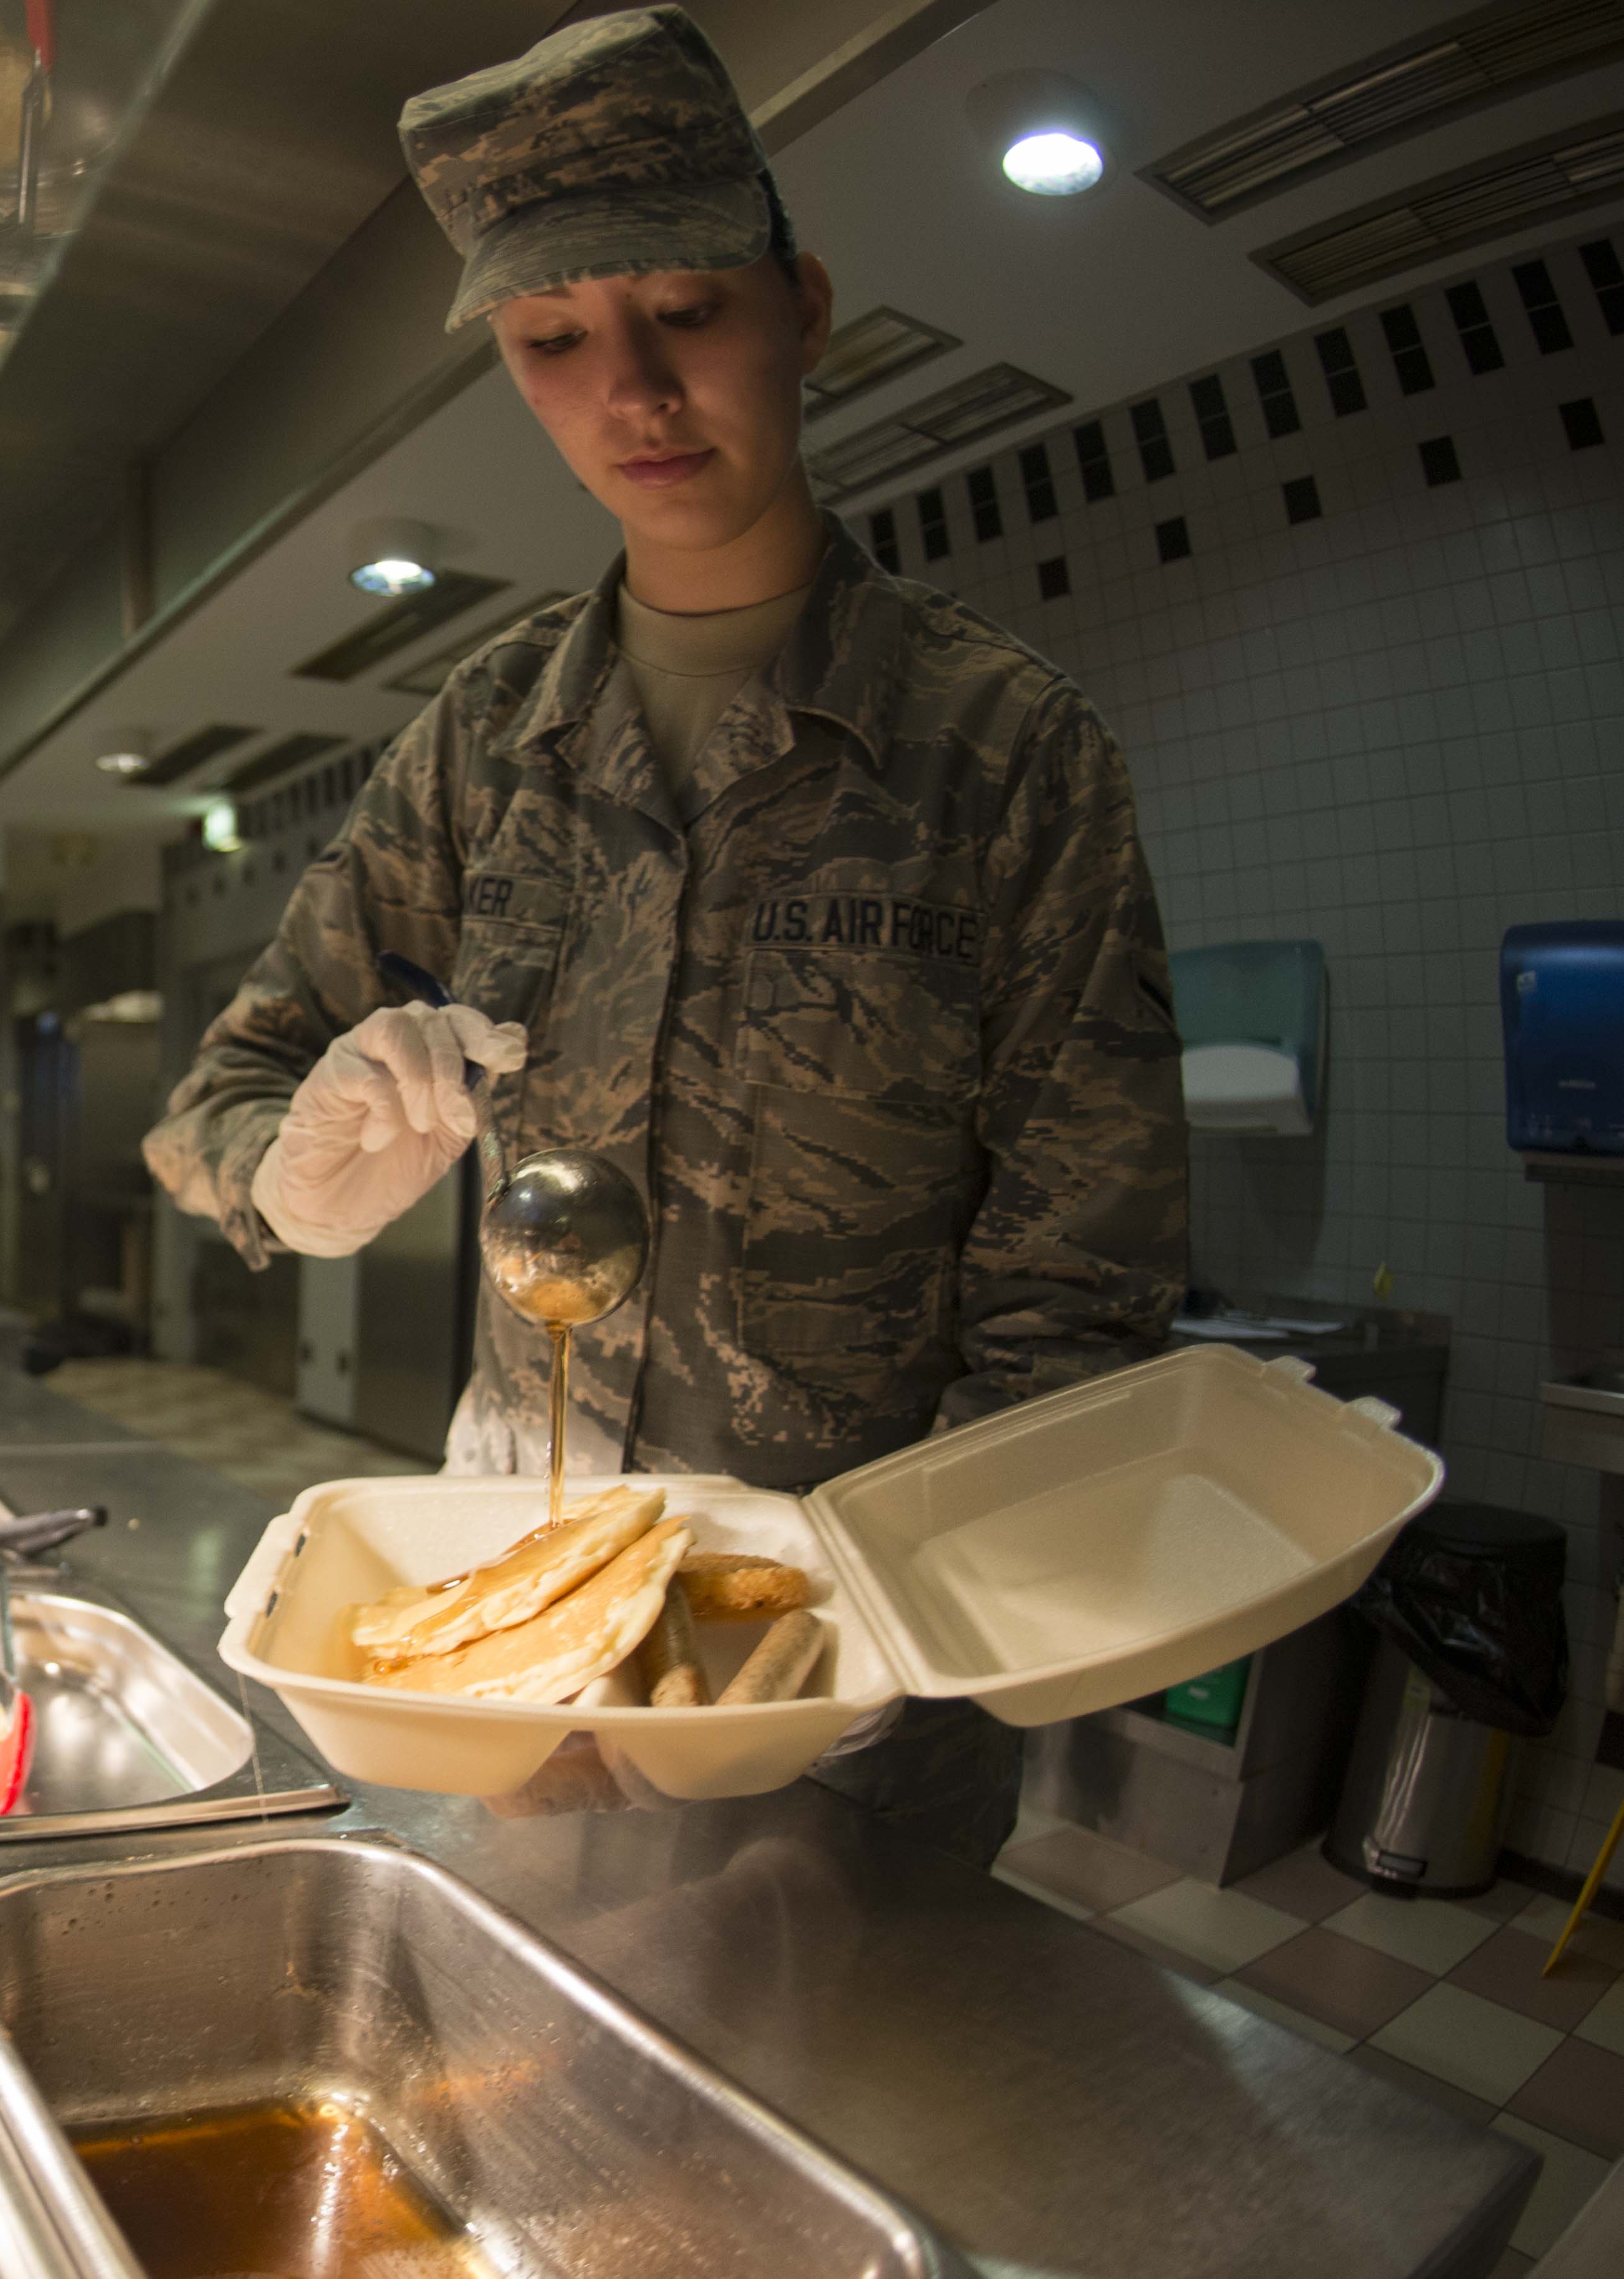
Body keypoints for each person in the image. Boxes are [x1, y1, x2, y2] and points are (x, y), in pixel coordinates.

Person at [142, 6, 1187, 1866]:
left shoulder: (1001, 751)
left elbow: (1079, 1291)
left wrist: (890, 1621)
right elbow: (213, 1096)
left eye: (685, 313)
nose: (628, 391)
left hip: (849, 1661)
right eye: (553, 342)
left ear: (801, 306)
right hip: (503, 1622)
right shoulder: (481, 744)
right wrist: (288, 1184)